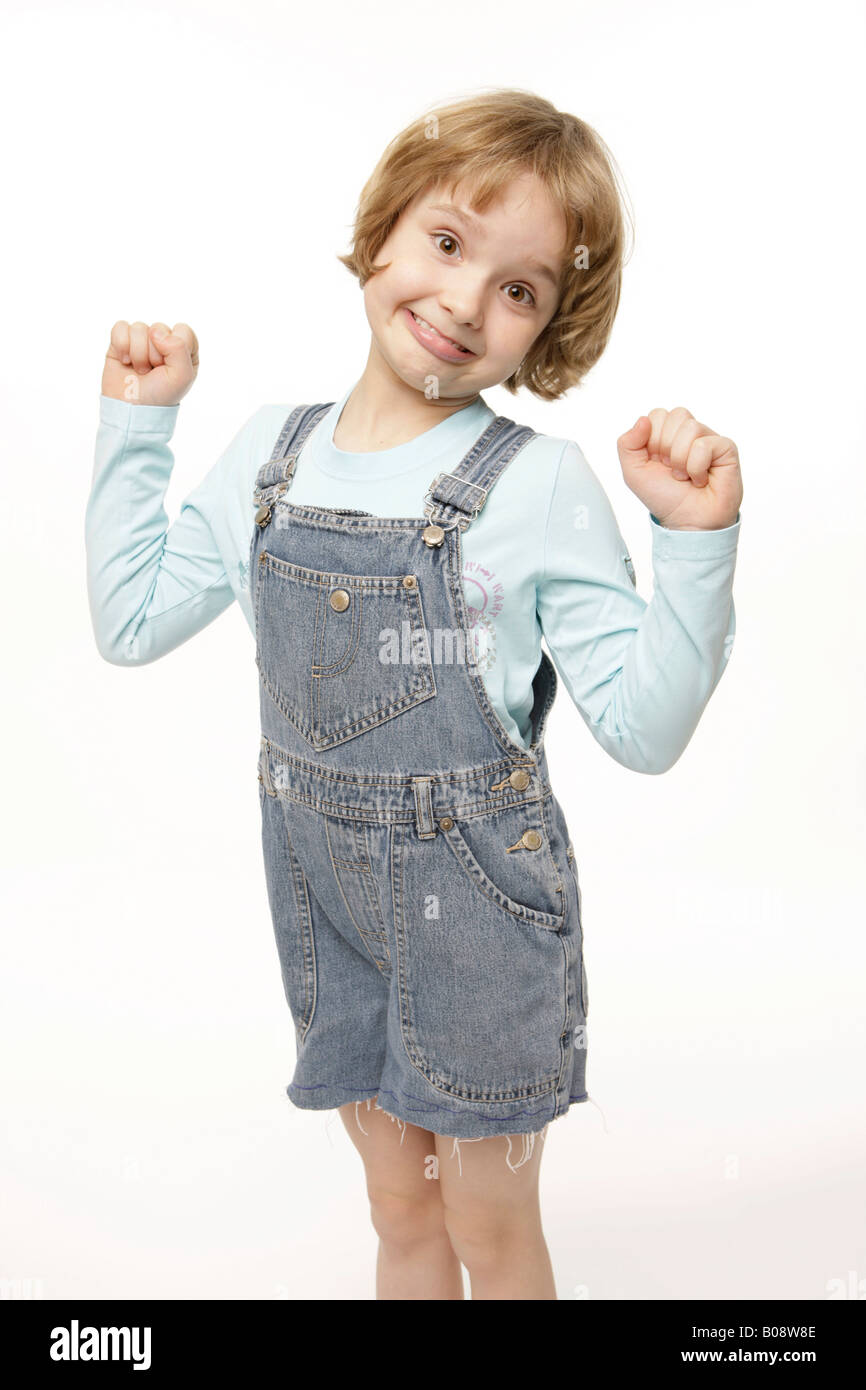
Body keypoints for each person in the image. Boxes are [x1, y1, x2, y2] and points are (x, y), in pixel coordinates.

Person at [85, 88, 743, 1300]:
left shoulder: (537, 486)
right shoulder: (264, 461)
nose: (463, 303)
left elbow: (642, 730)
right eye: (447, 242)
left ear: (545, 331)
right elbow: (127, 622)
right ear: (380, 230)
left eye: (518, 289)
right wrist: (139, 422)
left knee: (490, 1234)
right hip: (331, 915)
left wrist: (694, 545)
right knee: (397, 1213)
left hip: (484, 925)